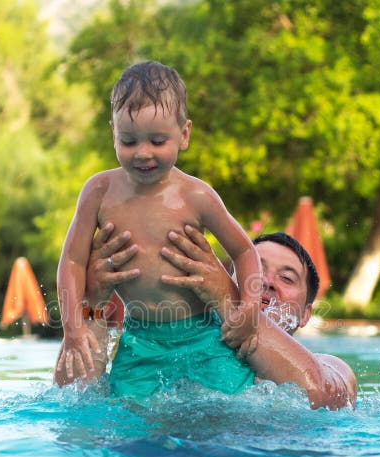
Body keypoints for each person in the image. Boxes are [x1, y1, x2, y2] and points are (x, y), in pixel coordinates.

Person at [56, 61, 262, 399]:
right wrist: (73, 326)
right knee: (127, 416)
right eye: (129, 140)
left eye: (157, 140)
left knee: (233, 409)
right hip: (140, 341)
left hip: (205, 337)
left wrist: (250, 308)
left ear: (184, 135)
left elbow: (243, 251)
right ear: (113, 133)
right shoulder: (98, 192)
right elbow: (73, 263)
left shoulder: (196, 196)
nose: (143, 153)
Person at [55, 224, 357, 410]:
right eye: (257, 269)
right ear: (224, 277)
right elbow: (75, 398)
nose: (265, 282)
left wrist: (229, 297)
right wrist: (93, 302)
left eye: (287, 278)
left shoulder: (330, 366)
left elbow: (322, 396)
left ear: (305, 315)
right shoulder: (176, 343)